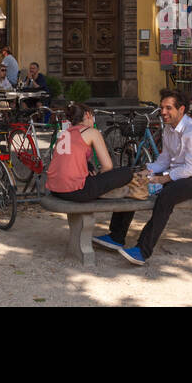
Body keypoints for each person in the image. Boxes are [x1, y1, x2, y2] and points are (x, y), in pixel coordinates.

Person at [112, 89, 192, 265]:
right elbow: (165, 160)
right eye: (162, 108)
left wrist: (162, 179)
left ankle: (142, 250)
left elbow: (191, 168)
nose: (163, 112)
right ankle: (116, 236)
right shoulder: (169, 129)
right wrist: (147, 171)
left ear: (181, 109)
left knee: (166, 197)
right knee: (135, 182)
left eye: (168, 108)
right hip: (178, 174)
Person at [44, 102, 141, 264]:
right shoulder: (91, 132)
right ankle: (117, 236)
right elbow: (108, 166)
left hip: (55, 188)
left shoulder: (65, 133)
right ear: (88, 115)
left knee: (106, 179)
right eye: (92, 115)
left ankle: (116, 236)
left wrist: (94, 174)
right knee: (126, 174)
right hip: (76, 191)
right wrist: (101, 177)